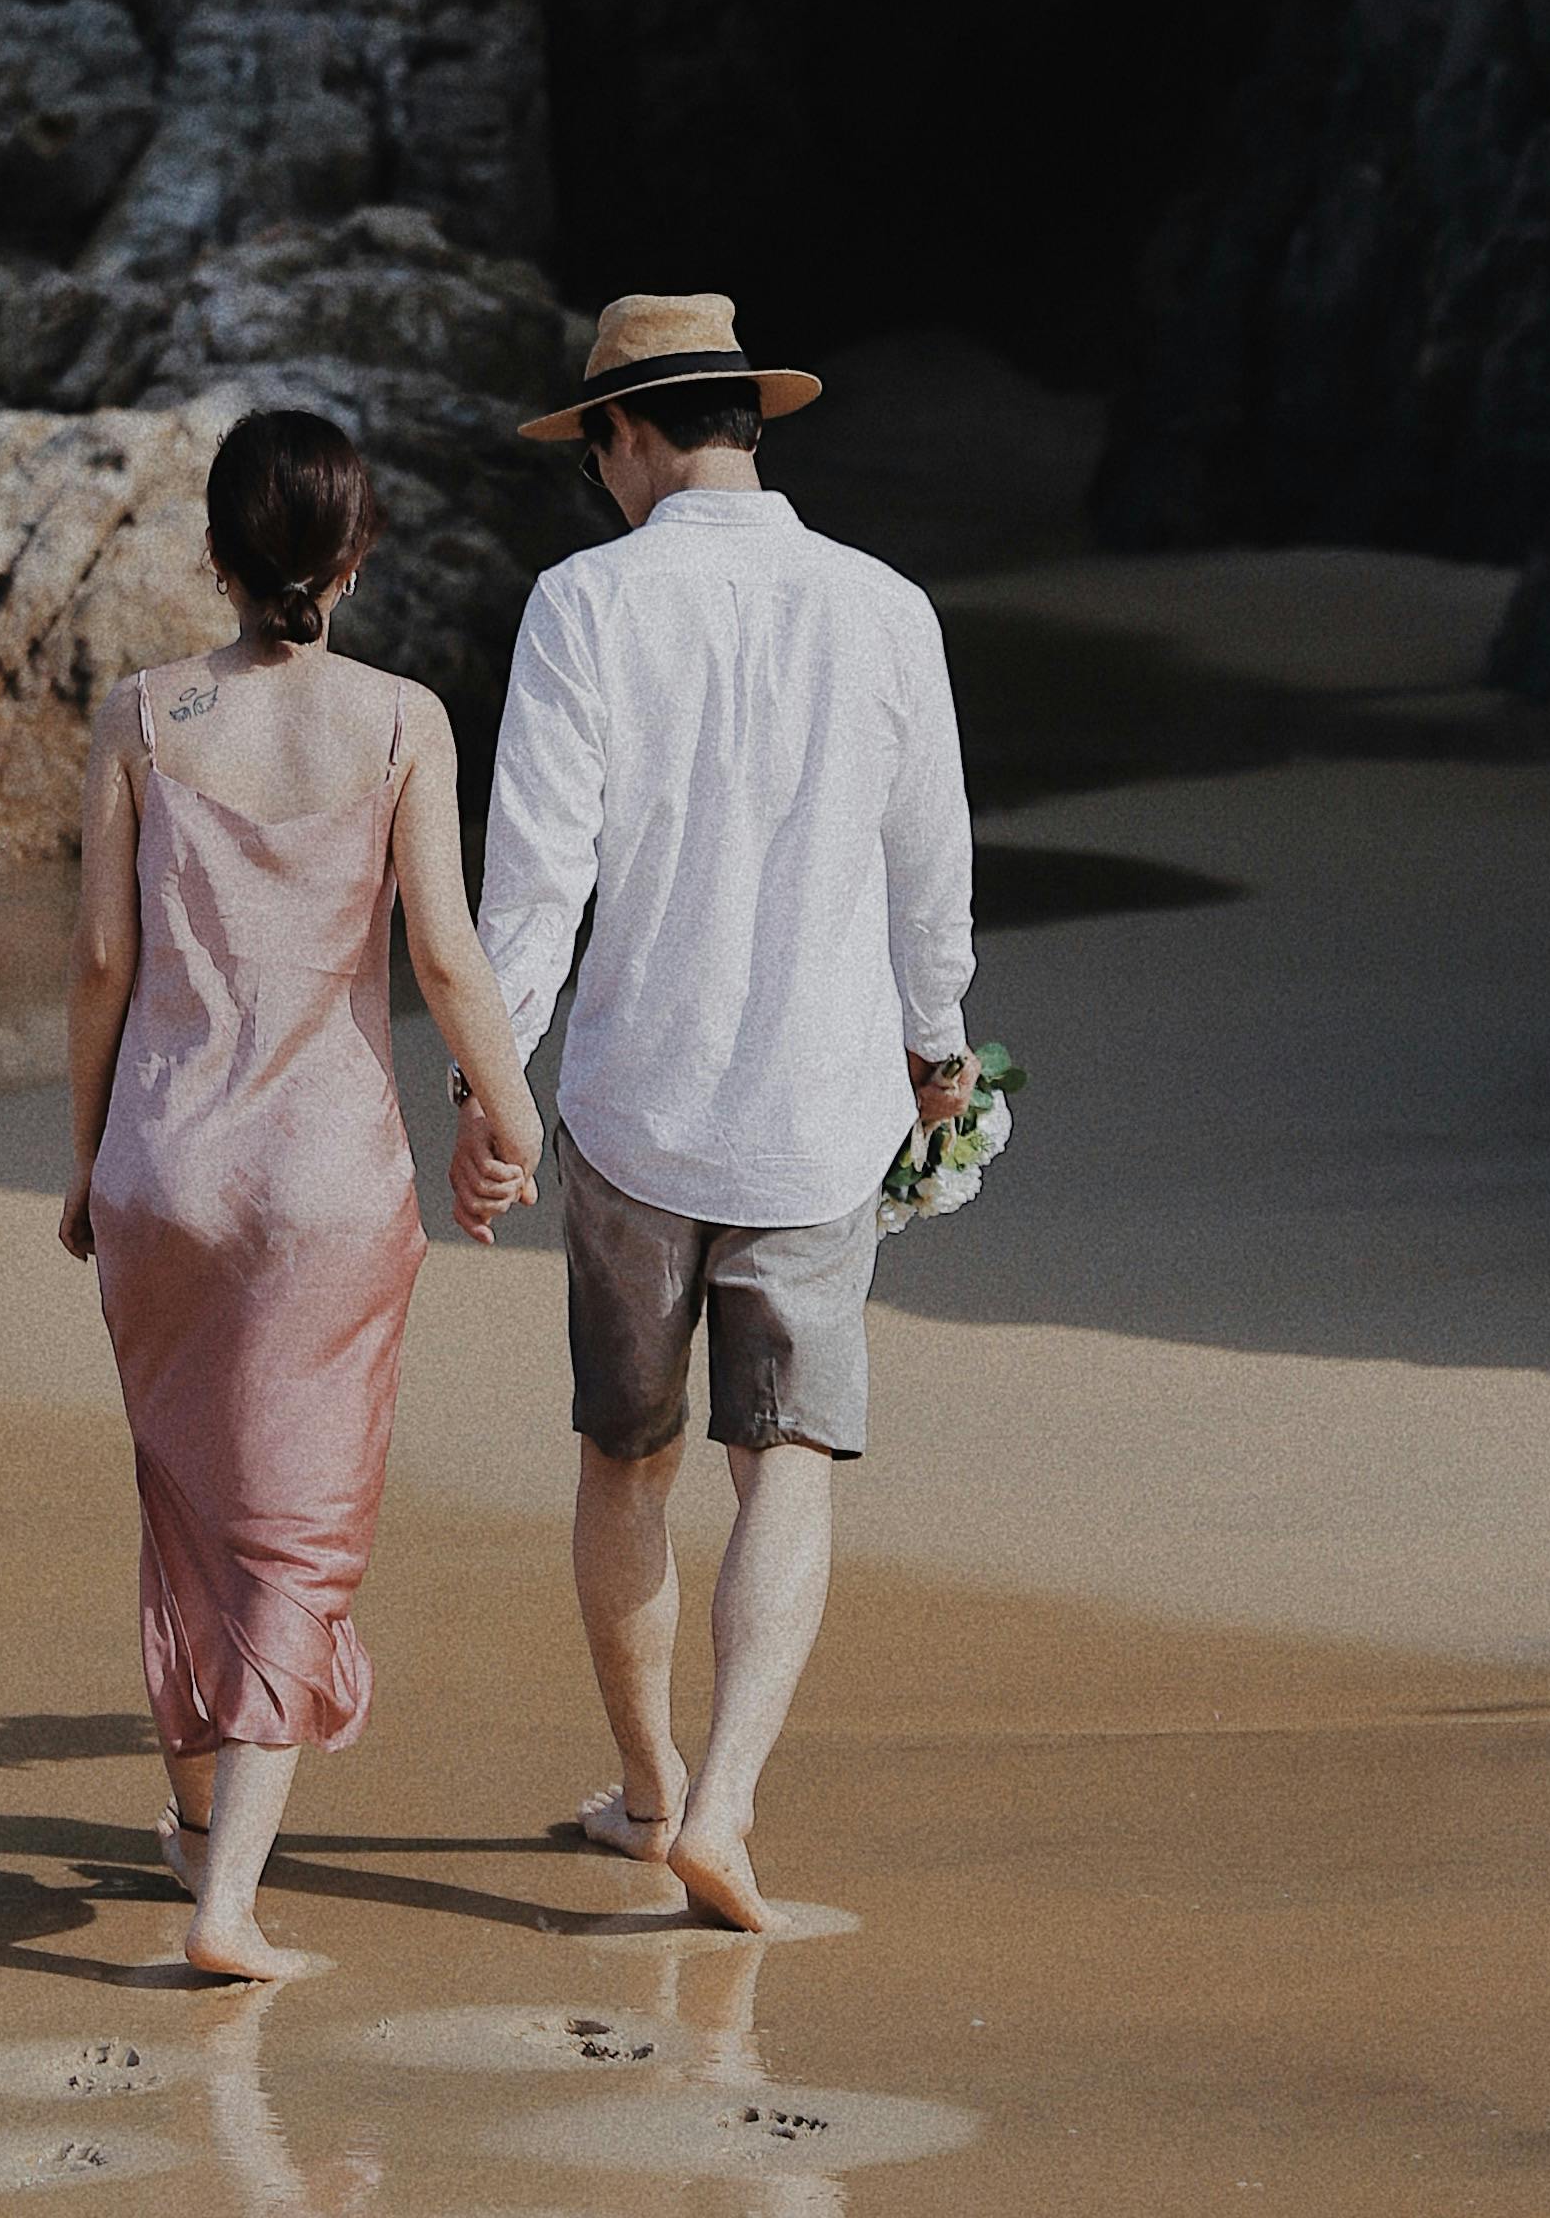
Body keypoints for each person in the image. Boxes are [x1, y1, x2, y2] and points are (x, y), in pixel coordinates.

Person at [452, 290, 977, 1935]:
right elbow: (930, 864)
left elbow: (533, 886)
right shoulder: (885, 606)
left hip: (632, 1109)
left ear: (628, 433)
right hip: (821, 1112)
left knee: (629, 1457)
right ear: (750, 419)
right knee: (792, 1460)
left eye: (593, 448)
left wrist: (495, 1084)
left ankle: (655, 1786)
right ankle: (730, 1811)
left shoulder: (583, 606)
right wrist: (940, 1041)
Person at [62, 400, 548, 1985]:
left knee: (189, 1504)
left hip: (167, 1167)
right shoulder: (405, 721)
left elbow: (98, 966)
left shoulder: (141, 717)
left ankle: (201, 1832)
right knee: (296, 1532)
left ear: (214, 555)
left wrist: (83, 1163)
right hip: (328, 1184)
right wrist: (512, 1111)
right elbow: (444, 955)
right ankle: (225, 1910)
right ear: (358, 556)